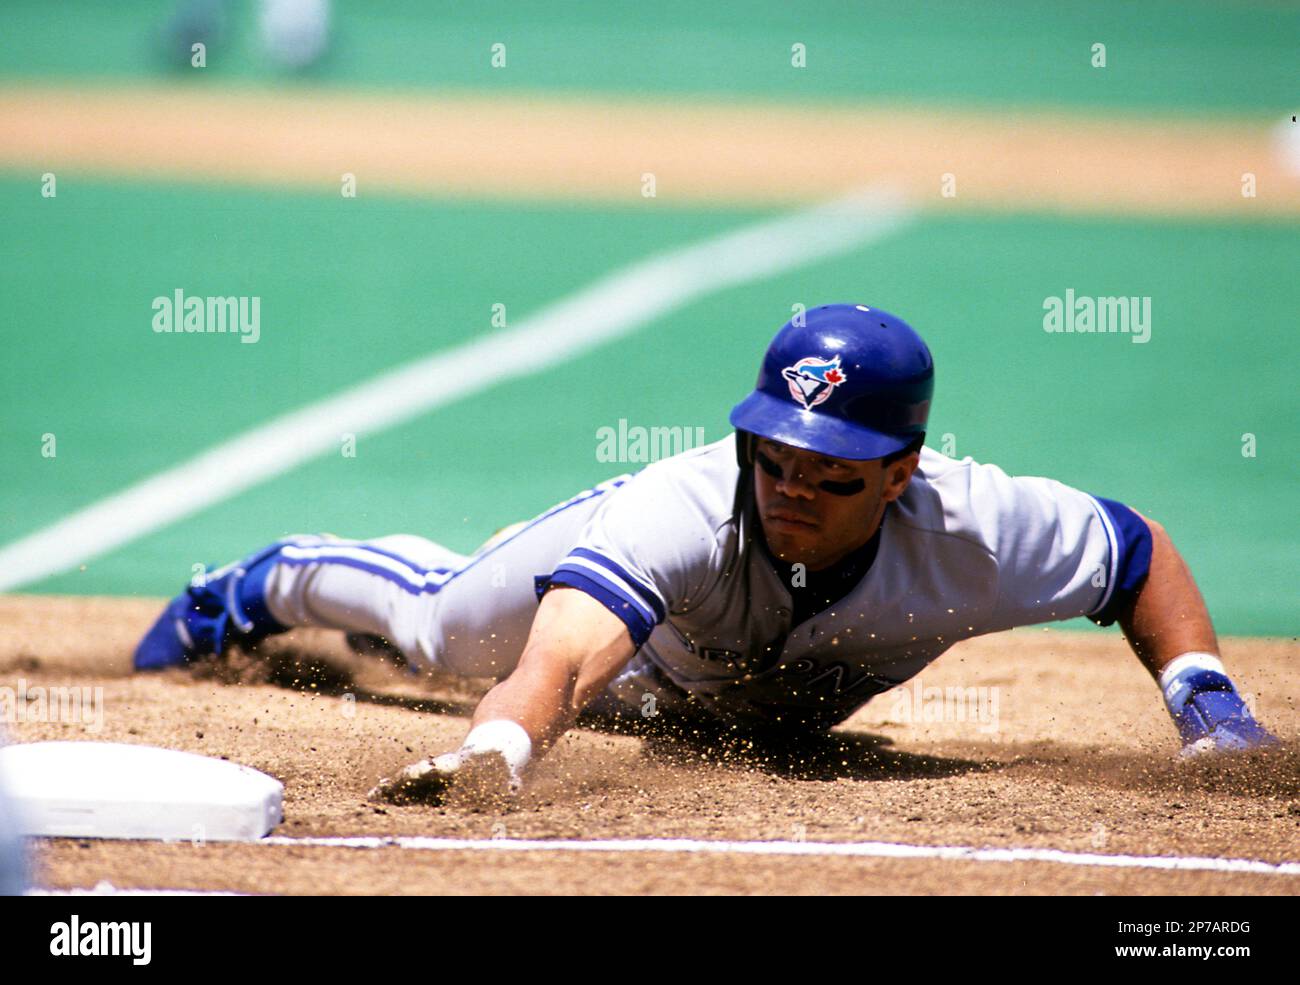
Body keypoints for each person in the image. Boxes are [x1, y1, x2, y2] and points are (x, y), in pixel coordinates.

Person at [132, 304, 1279, 805]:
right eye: (774, 455)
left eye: (831, 472)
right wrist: (497, 752)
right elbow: (565, 663)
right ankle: (255, 584)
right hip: (621, 633)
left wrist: (1207, 703)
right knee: (435, 625)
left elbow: (1137, 550)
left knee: (735, 718)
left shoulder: (978, 529)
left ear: (901, 473)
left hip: (718, 695)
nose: (791, 487)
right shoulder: (682, 507)